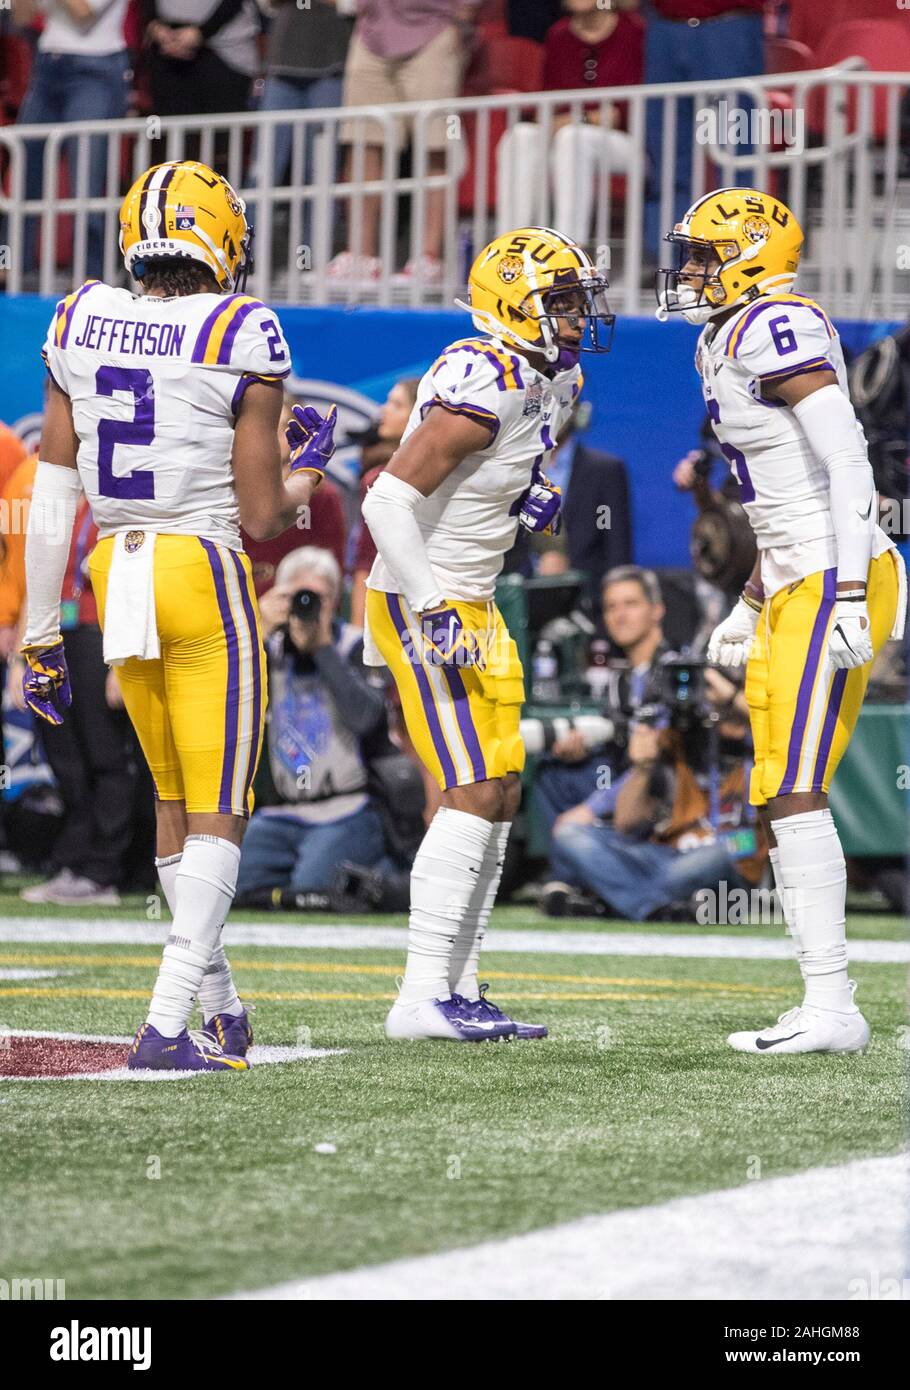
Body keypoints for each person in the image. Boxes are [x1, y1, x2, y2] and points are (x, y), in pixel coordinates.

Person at [21, 158, 335, 1071]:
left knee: (173, 795)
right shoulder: (243, 326)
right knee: (222, 804)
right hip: (200, 567)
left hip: (112, 568)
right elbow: (267, 513)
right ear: (224, 240)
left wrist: (41, 631)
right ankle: (164, 1025)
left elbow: (50, 492)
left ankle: (220, 1006)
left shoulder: (77, 316)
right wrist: (309, 462)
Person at [656, 186, 907, 1054]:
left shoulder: (776, 323)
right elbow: (782, 493)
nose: (689, 270)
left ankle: (834, 1007)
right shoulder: (725, 334)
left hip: (835, 571)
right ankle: (822, 1001)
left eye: (703, 254)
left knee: (795, 787)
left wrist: (840, 593)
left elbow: (846, 457)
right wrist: (752, 596)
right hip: (798, 572)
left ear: (752, 253)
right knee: (778, 784)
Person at [361, 224, 615, 1041]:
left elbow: (503, 465)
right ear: (514, 304)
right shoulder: (487, 383)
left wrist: (527, 494)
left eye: (579, 299)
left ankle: (461, 988)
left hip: (475, 595)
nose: (577, 316)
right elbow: (384, 500)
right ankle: (419, 997)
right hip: (423, 599)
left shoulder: (552, 376)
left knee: (501, 789)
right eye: (562, 300)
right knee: (471, 786)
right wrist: (432, 606)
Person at [235, 546, 388, 905]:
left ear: (335, 600)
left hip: (345, 809)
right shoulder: (267, 649)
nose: (308, 606)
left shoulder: (356, 646)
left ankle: (376, 869)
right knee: (227, 885)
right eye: (297, 596)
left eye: (318, 597)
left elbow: (367, 719)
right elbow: (220, 698)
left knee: (313, 891)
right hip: (281, 813)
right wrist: (256, 627)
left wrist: (322, 650)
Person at [548, 669, 762, 920]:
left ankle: (611, 903)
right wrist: (643, 768)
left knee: (718, 854)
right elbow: (625, 825)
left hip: (727, 855)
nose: (713, 702)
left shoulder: (762, 743)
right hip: (664, 855)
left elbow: (781, 726)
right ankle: (656, 907)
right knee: (570, 835)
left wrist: (732, 696)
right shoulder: (676, 737)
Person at [328, 0, 482, 288]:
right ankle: (361, 256)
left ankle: (429, 258)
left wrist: (463, 17)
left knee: (434, 143)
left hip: (434, 27)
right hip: (370, 30)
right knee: (362, 142)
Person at [533, 565, 672, 835]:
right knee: (552, 773)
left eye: (631, 604)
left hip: (660, 787)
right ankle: (588, 859)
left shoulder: (671, 670)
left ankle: (598, 855)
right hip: (623, 774)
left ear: (657, 610)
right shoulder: (620, 678)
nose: (619, 616)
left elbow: (658, 763)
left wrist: (590, 809)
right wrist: (580, 752)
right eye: (611, 607)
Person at [496, 0, 644, 246]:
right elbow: (546, 105)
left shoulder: (633, 30)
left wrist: (577, 119)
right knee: (521, 135)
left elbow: (619, 114)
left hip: (629, 143)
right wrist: (576, 119)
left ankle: (569, 251)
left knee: (574, 137)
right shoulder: (559, 34)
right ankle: (511, 248)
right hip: (569, 137)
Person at [11, 0, 130, 280]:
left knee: (86, 187)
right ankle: (14, 273)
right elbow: (22, 15)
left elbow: (83, 12)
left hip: (97, 67)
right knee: (24, 178)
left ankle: (92, 281)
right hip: (47, 65)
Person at [243, 392, 347, 595]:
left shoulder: (323, 498)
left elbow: (332, 572)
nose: (273, 435)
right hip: (241, 604)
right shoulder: (235, 490)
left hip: (299, 605)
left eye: (283, 427)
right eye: (268, 425)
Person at [349, 377, 420, 628]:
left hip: (411, 603)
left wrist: (358, 629)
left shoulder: (381, 477)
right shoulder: (377, 476)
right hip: (416, 601)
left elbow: (365, 563)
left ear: (419, 413)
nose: (383, 410)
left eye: (396, 405)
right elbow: (368, 557)